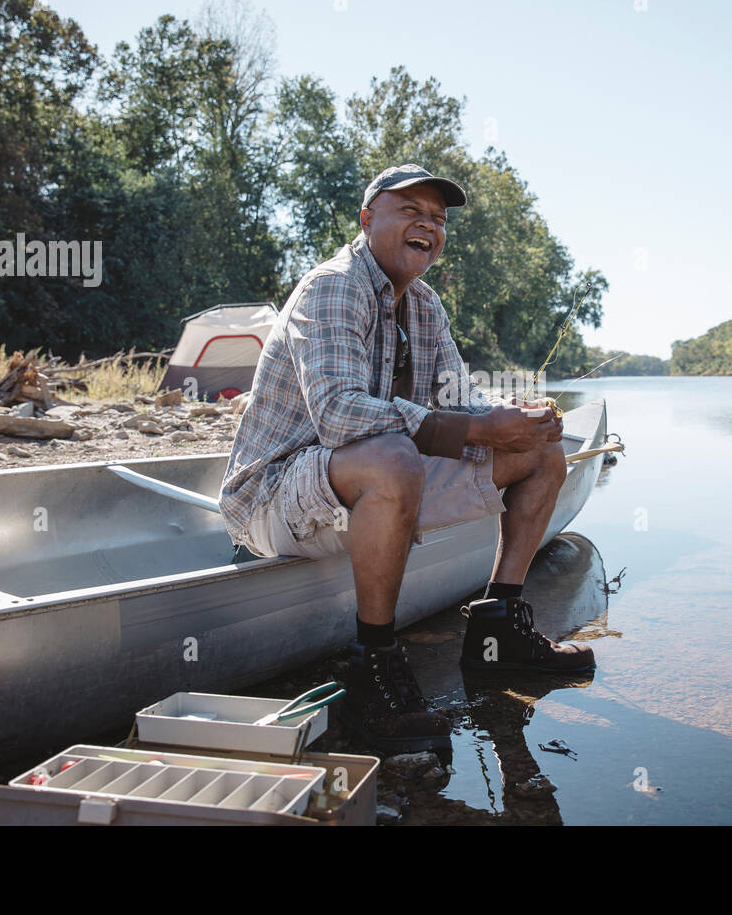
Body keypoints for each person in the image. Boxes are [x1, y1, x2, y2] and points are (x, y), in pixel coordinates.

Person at [219, 163, 595, 752]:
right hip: (274, 496)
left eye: (438, 219)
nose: (428, 226)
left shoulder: (423, 305)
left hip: (367, 484)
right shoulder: (332, 287)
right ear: (368, 220)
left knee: (542, 451)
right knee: (392, 455)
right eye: (410, 212)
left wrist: (512, 417)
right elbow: (339, 417)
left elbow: (459, 400)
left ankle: (498, 632)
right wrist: (476, 428)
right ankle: (373, 665)